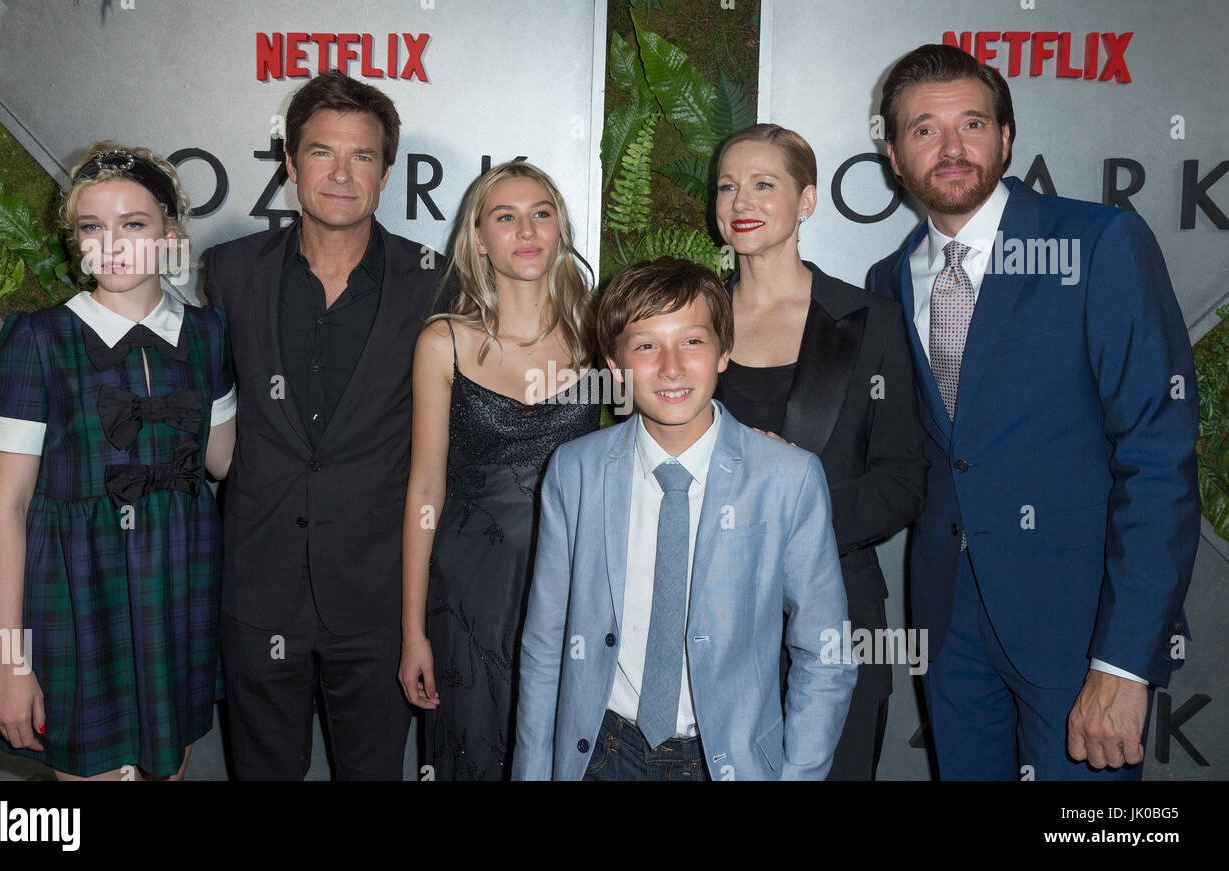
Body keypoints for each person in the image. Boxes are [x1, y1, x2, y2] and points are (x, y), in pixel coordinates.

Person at [867, 43, 1199, 780]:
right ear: (894, 153)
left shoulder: (1099, 243)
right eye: (924, 129)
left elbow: (1157, 457)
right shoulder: (889, 278)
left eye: (973, 124)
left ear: (1007, 137)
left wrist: (1124, 659)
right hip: (950, 632)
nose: (951, 149)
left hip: (1081, 632)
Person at [513, 256, 856, 781]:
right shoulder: (575, 471)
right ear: (614, 364)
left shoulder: (787, 479)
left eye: (692, 341)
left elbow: (825, 655)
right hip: (600, 752)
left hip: (725, 761)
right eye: (646, 346)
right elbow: (545, 640)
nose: (671, 367)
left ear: (724, 351)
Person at [202, 71, 442, 780]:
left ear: (388, 171)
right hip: (256, 590)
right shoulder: (230, 272)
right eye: (321, 153)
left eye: (362, 156)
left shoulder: (434, 282)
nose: (341, 174)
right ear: (289, 162)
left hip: (377, 599)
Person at [0, 141, 236, 780]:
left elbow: (224, 463)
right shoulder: (38, 339)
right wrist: (9, 661)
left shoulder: (208, 334)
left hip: (178, 591)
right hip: (74, 598)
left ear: (169, 233)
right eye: (93, 227)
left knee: (168, 771)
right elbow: (6, 509)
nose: (111, 244)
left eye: (134, 224)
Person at [713, 123, 928, 780]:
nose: (740, 201)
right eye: (726, 186)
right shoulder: (689, 320)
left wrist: (794, 506)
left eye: (763, 184)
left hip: (836, 618)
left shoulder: (870, 320)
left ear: (807, 200)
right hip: (707, 621)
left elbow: (903, 479)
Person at [398, 162, 601, 780]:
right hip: (468, 591)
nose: (526, 229)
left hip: (573, 581)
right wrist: (413, 632)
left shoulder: (601, 334)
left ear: (560, 228)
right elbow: (426, 487)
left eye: (541, 213)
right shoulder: (444, 341)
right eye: (505, 217)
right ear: (479, 239)